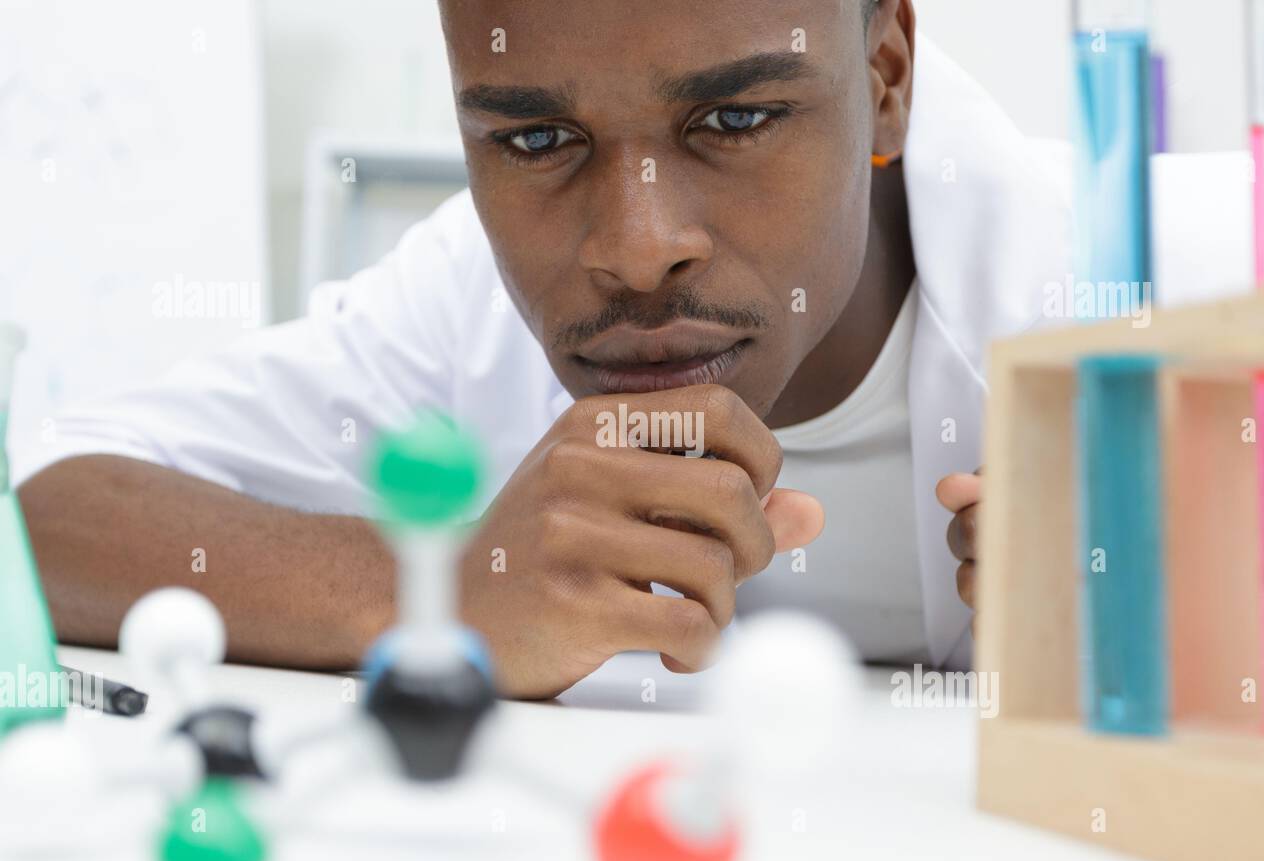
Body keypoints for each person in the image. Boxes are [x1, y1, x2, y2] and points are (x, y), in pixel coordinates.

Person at [14, 0, 1070, 699]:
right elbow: (42, 513)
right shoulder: (458, 304)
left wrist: (1212, 620)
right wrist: (435, 590)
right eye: (535, 141)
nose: (637, 250)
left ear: (885, 73)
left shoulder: (1162, 282)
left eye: (735, 117)